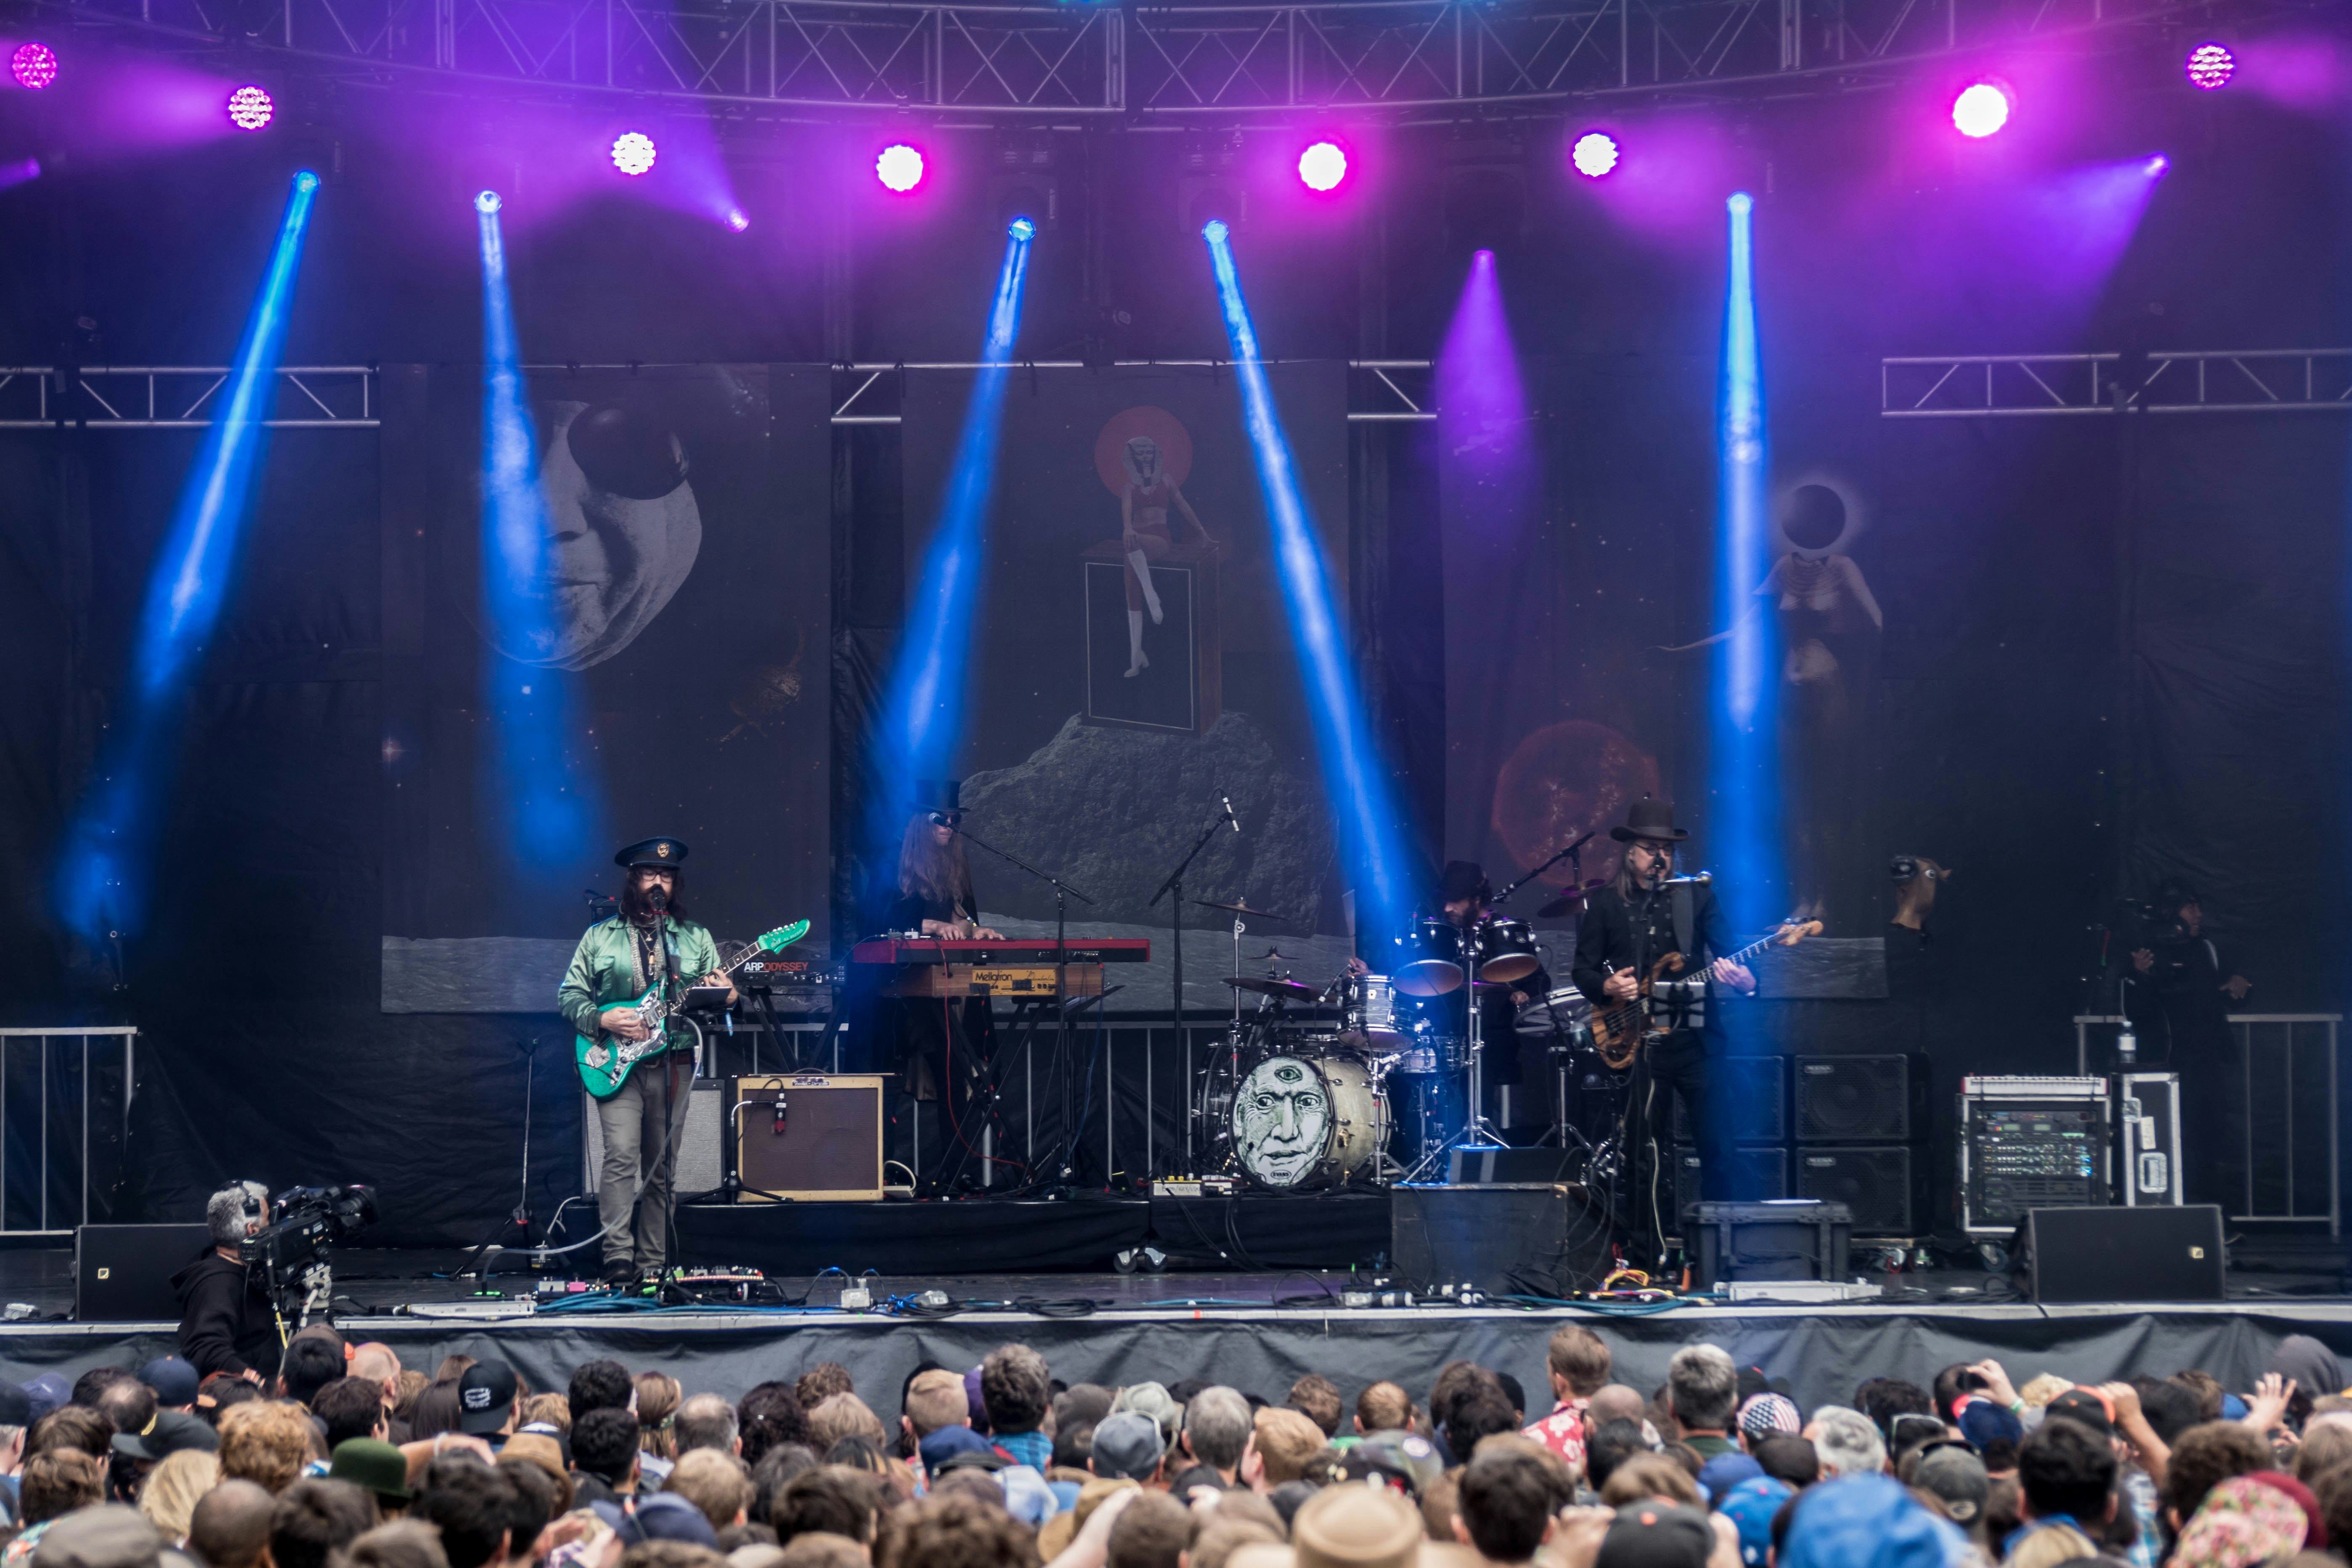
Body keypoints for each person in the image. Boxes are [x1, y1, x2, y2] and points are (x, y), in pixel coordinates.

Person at [1571, 799, 1757, 1263]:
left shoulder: (1696, 897)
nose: (1660, 857)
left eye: (1667, 850)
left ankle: (1719, 1256)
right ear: (1630, 853)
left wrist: (1747, 982)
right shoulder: (1606, 905)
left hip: (1696, 1040)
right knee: (1641, 1154)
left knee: (1719, 1147)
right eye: (1650, 848)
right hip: (1639, 1045)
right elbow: (1582, 970)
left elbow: (1733, 954)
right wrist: (1606, 986)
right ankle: (1645, 1256)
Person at [557, 837, 735, 1285]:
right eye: (651, 874)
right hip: (616, 1065)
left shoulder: (694, 937)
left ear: (676, 884)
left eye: (667, 875)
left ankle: (652, 1261)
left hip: (673, 1063)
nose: (659, 882)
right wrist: (601, 1016)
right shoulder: (600, 936)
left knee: (662, 1168)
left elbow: (713, 998)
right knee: (620, 1155)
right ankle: (618, 1255)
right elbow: (569, 994)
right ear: (634, 880)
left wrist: (728, 995)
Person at [876, 783, 1005, 1182]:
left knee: (953, 1069)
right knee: (890, 1076)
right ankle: (880, 1172)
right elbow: (876, 920)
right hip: (898, 993)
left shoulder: (955, 865)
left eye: (954, 820)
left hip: (942, 986)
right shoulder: (892, 861)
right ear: (921, 822)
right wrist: (928, 925)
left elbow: (965, 916)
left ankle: (956, 1172)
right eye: (940, 820)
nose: (949, 827)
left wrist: (976, 930)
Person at [2129, 880, 2251, 1209]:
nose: (2198, 914)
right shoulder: (2150, 950)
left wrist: (2240, 984)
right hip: (2169, 1064)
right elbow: (2137, 1011)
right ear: (2170, 912)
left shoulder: (2206, 948)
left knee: (2212, 1140)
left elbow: (2232, 990)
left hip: (2209, 1060)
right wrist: (2139, 976)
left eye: (2198, 907)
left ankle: (2213, 1216)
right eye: (2190, 907)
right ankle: (2172, 1213)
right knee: (2173, 1139)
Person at [1109, 435, 1218, 679]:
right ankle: (1136, 656)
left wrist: (1203, 534)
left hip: (1159, 539)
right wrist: (1127, 528)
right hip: (1135, 541)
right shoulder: (1129, 487)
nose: (1145, 456)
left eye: (1149, 452)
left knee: (1132, 546)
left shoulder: (1167, 481)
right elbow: (1126, 513)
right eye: (1140, 453)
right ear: (1133, 457)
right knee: (1131, 586)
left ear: (1155, 454)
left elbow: (1185, 507)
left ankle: (1151, 595)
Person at [171, 1183, 278, 1383]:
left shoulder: (240, 1266)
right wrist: (257, 1383)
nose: (271, 1227)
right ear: (252, 1230)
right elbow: (207, 1349)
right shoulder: (218, 1285)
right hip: (242, 1398)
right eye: (267, 1220)